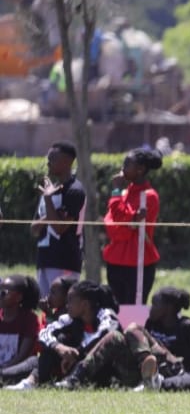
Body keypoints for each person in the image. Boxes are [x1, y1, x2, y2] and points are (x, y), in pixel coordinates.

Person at [6, 280, 119, 390]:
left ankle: (70, 381)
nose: (67, 304)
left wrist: (77, 352)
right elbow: (44, 333)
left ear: (84, 304)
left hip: (104, 371)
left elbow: (104, 334)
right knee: (58, 340)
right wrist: (58, 347)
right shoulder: (70, 318)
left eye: (70, 300)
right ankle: (30, 383)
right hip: (73, 367)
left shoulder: (106, 315)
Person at [101, 147, 162, 304]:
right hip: (115, 261)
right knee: (117, 310)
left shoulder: (150, 196)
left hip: (139, 262)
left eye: (127, 164)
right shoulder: (123, 193)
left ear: (140, 170)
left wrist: (116, 193)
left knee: (134, 313)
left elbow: (122, 222)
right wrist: (130, 219)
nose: (122, 168)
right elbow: (112, 225)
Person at [30, 142, 85, 294]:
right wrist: (50, 214)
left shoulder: (75, 190)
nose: (48, 162)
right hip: (44, 260)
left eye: (52, 158)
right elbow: (34, 229)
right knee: (46, 308)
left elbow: (59, 228)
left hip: (65, 261)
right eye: (48, 158)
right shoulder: (49, 189)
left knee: (62, 309)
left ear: (67, 162)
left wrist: (48, 199)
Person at [0, 275, 41, 385]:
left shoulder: (29, 319)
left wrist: (5, 367)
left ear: (18, 297)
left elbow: (22, 355)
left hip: (17, 367)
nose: (0, 295)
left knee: (34, 362)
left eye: (4, 292)